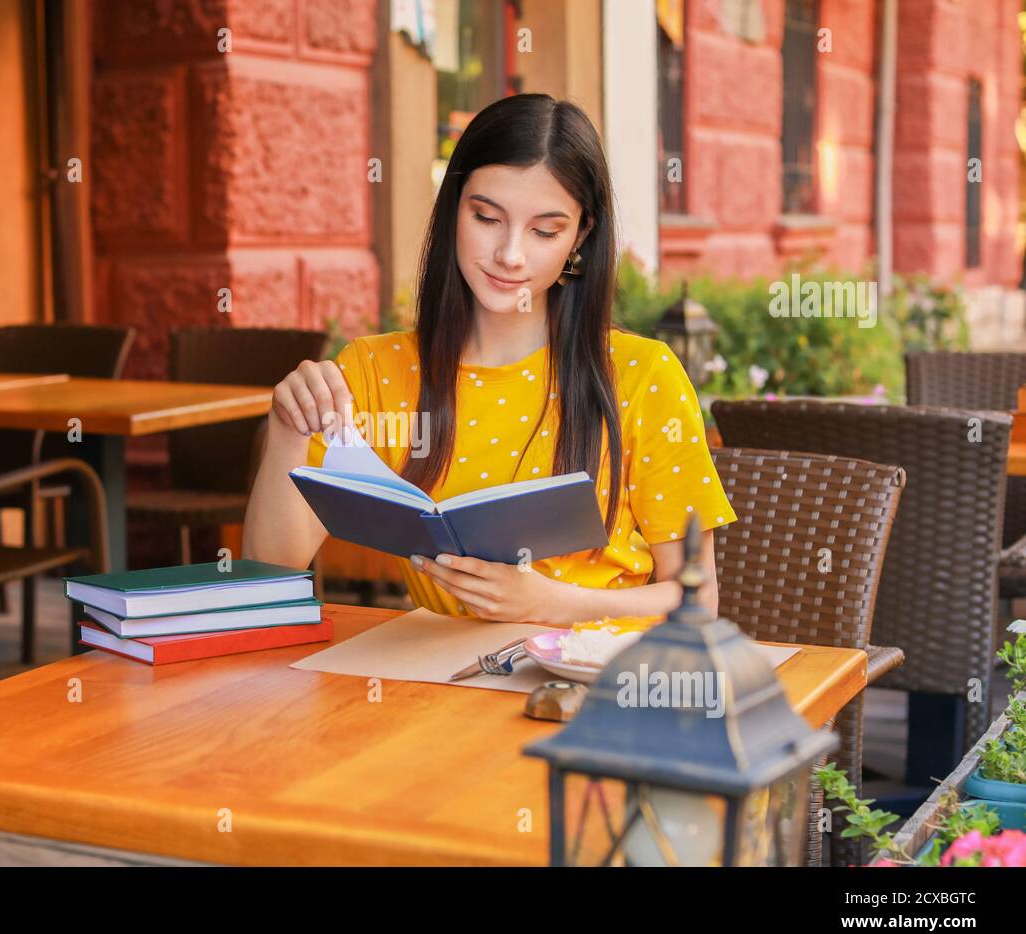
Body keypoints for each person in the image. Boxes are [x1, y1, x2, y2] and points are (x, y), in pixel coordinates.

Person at [243, 93, 737, 628]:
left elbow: (696, 598)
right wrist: (288, 430)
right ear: (453, 207)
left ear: (581, 236)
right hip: (439, 688)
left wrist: (553, 605)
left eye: (545, 231)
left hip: (594, 685)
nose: (511, 255)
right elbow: (270, 574)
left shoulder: (641, 375)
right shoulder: (375, 370)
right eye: (487, 217)